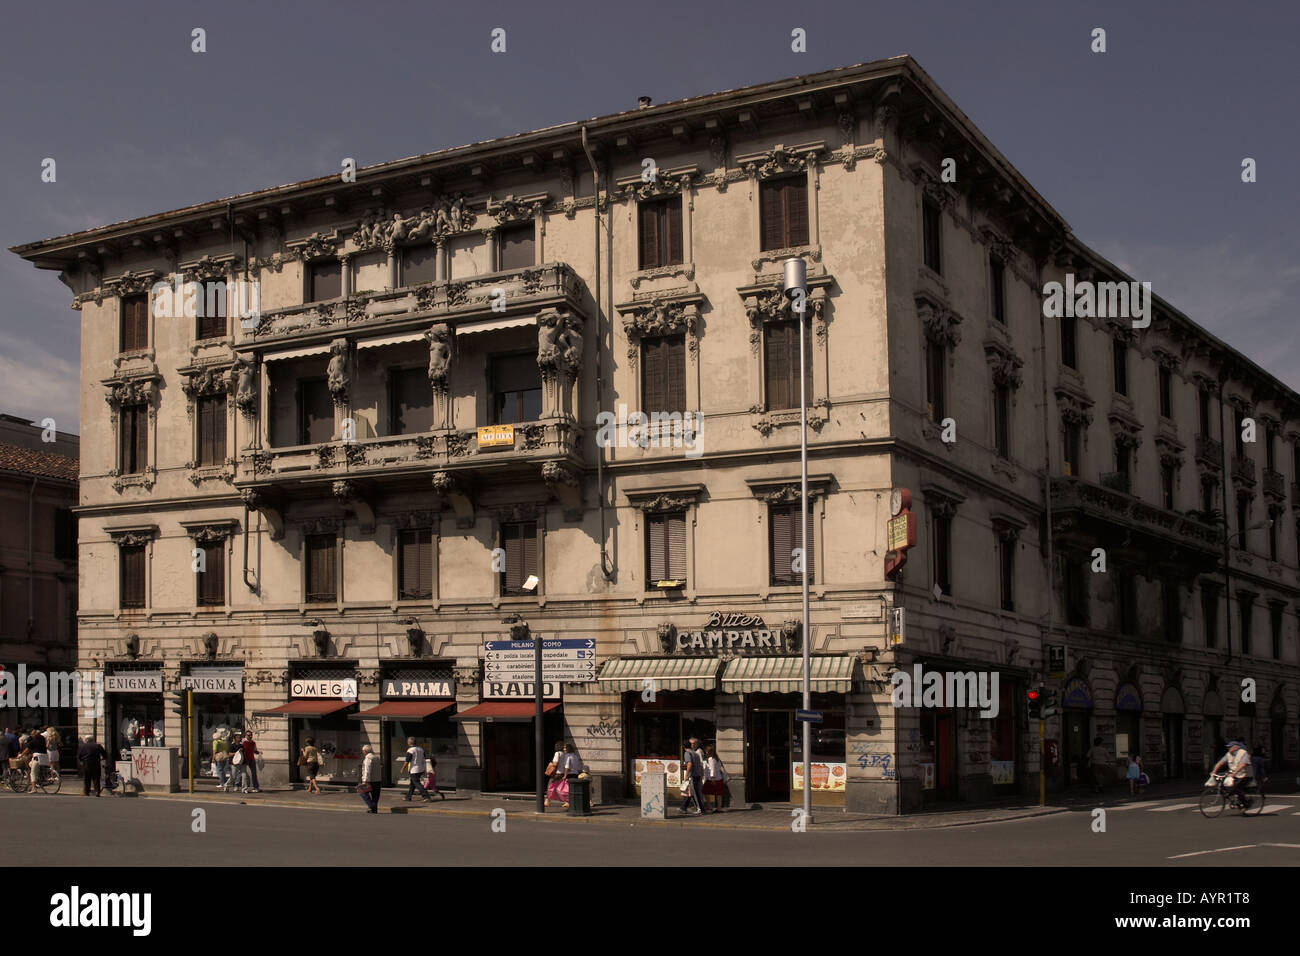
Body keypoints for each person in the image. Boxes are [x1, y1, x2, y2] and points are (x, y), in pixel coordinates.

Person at [681, 737, 704, 815]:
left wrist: (687, 774)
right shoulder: (695, 753)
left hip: (692, 775)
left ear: (684, 747)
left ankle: (699, 809)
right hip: (697, 774)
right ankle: (700, 808)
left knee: (694, 793)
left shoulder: (687, 753)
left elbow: (690, 764)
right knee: (696, 793)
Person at [403, 737, 429, 802]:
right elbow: (424, 758)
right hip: (420, 769)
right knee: (413, 783)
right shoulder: (421, 749)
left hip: (414, 770)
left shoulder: (410, 750)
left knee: (417, 783)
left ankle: (426, 796)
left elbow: (407, 761)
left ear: (409, 742)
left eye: (407, 741)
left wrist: (402, 768)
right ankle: (408, 797)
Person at [702, 744, 727, 813]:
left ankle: (709, 807)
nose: (705, 752)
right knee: (718, 793)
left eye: (706, 751)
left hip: (712, 779)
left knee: (705, 791)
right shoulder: (717, 758)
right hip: (719, 778)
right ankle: (719, 808)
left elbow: (712, 769)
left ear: (708, 752)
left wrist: (712, 778)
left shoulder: (711, 759)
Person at [25, 727, 49, 792]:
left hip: (37, 757)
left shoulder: (33, 741)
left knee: (33, 773)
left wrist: (21, 755)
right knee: (31, 764)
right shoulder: (43, 740)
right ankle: (40, 777)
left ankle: (33, 788)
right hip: (45, 757)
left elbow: (27, 749)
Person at [359, 744, 381, 813]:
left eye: (363, 751)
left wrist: (365, 781)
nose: (363, 752)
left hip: (370, 780)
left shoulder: (368, 759)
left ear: (365, 751)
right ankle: (374, 810)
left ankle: (372, 806)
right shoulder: (376, 758)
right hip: (377, 780)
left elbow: (367, 771)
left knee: (362, 792)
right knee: (375, 797)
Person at [560, 743, 582, 808]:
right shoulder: (575, 756)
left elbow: (567, 766)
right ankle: (573, 802)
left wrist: (565, 775)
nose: (564, 749)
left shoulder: (567, 756)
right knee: (573, 789)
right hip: (576, 774)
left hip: (569, 774)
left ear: (568, 749)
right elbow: (578, 767)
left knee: (567, 789)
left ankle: (567, 802)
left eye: (565, 748)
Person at [544, 740, 566, 807]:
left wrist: (551, 763)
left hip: (557, 773)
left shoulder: (557, 753)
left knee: (550, 786)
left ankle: (547, 800)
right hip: (562, 772)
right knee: (562, 787)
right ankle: (567, 801)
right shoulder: (563, 754)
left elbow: (555, 763)